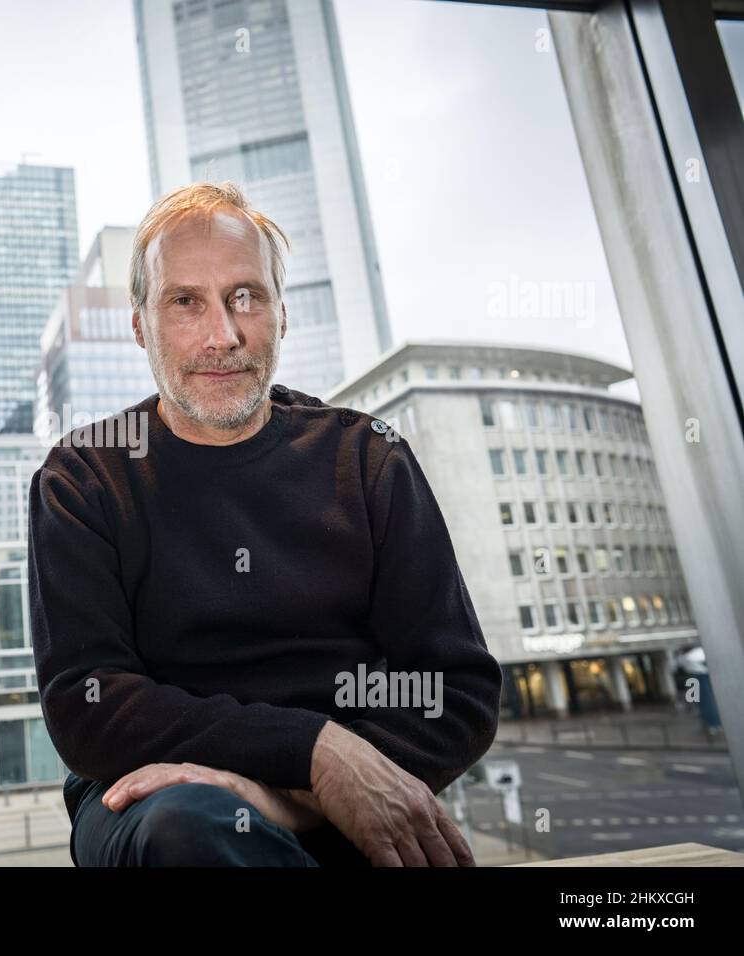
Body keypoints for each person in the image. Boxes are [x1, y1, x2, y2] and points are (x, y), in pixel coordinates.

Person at [28, 181, 503, 867]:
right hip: (159, 800)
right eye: (185, 302)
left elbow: (456, 691)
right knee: (193, 831)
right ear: (140, 325)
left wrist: (299, 793)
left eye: (245, 297)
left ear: (283, 312)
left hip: (352, 801)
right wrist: (313, 750)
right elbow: (89, 703)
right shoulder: (84, 477)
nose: (223, 335)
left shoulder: (366, 456)